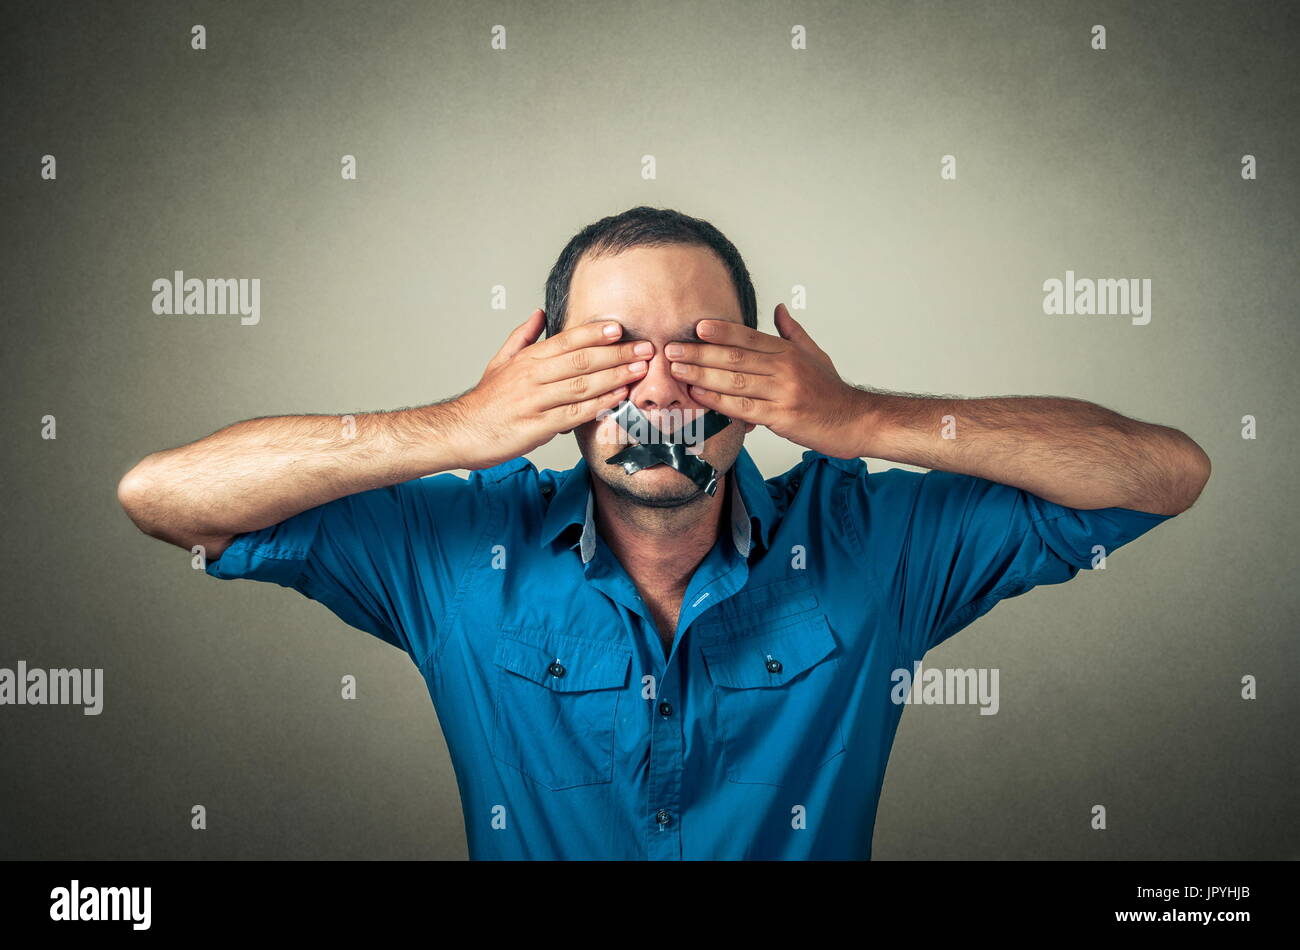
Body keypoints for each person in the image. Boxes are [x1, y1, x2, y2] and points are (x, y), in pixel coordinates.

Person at [117, 206, 1211, 860]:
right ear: (548, 368)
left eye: (700, 346)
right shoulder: (452, 554)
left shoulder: (872, 541)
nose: (657, 383)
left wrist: (861, 415)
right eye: (608, 349)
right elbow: (164, 496)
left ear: (761, 365)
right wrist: (457, 426)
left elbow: (1162, 473)